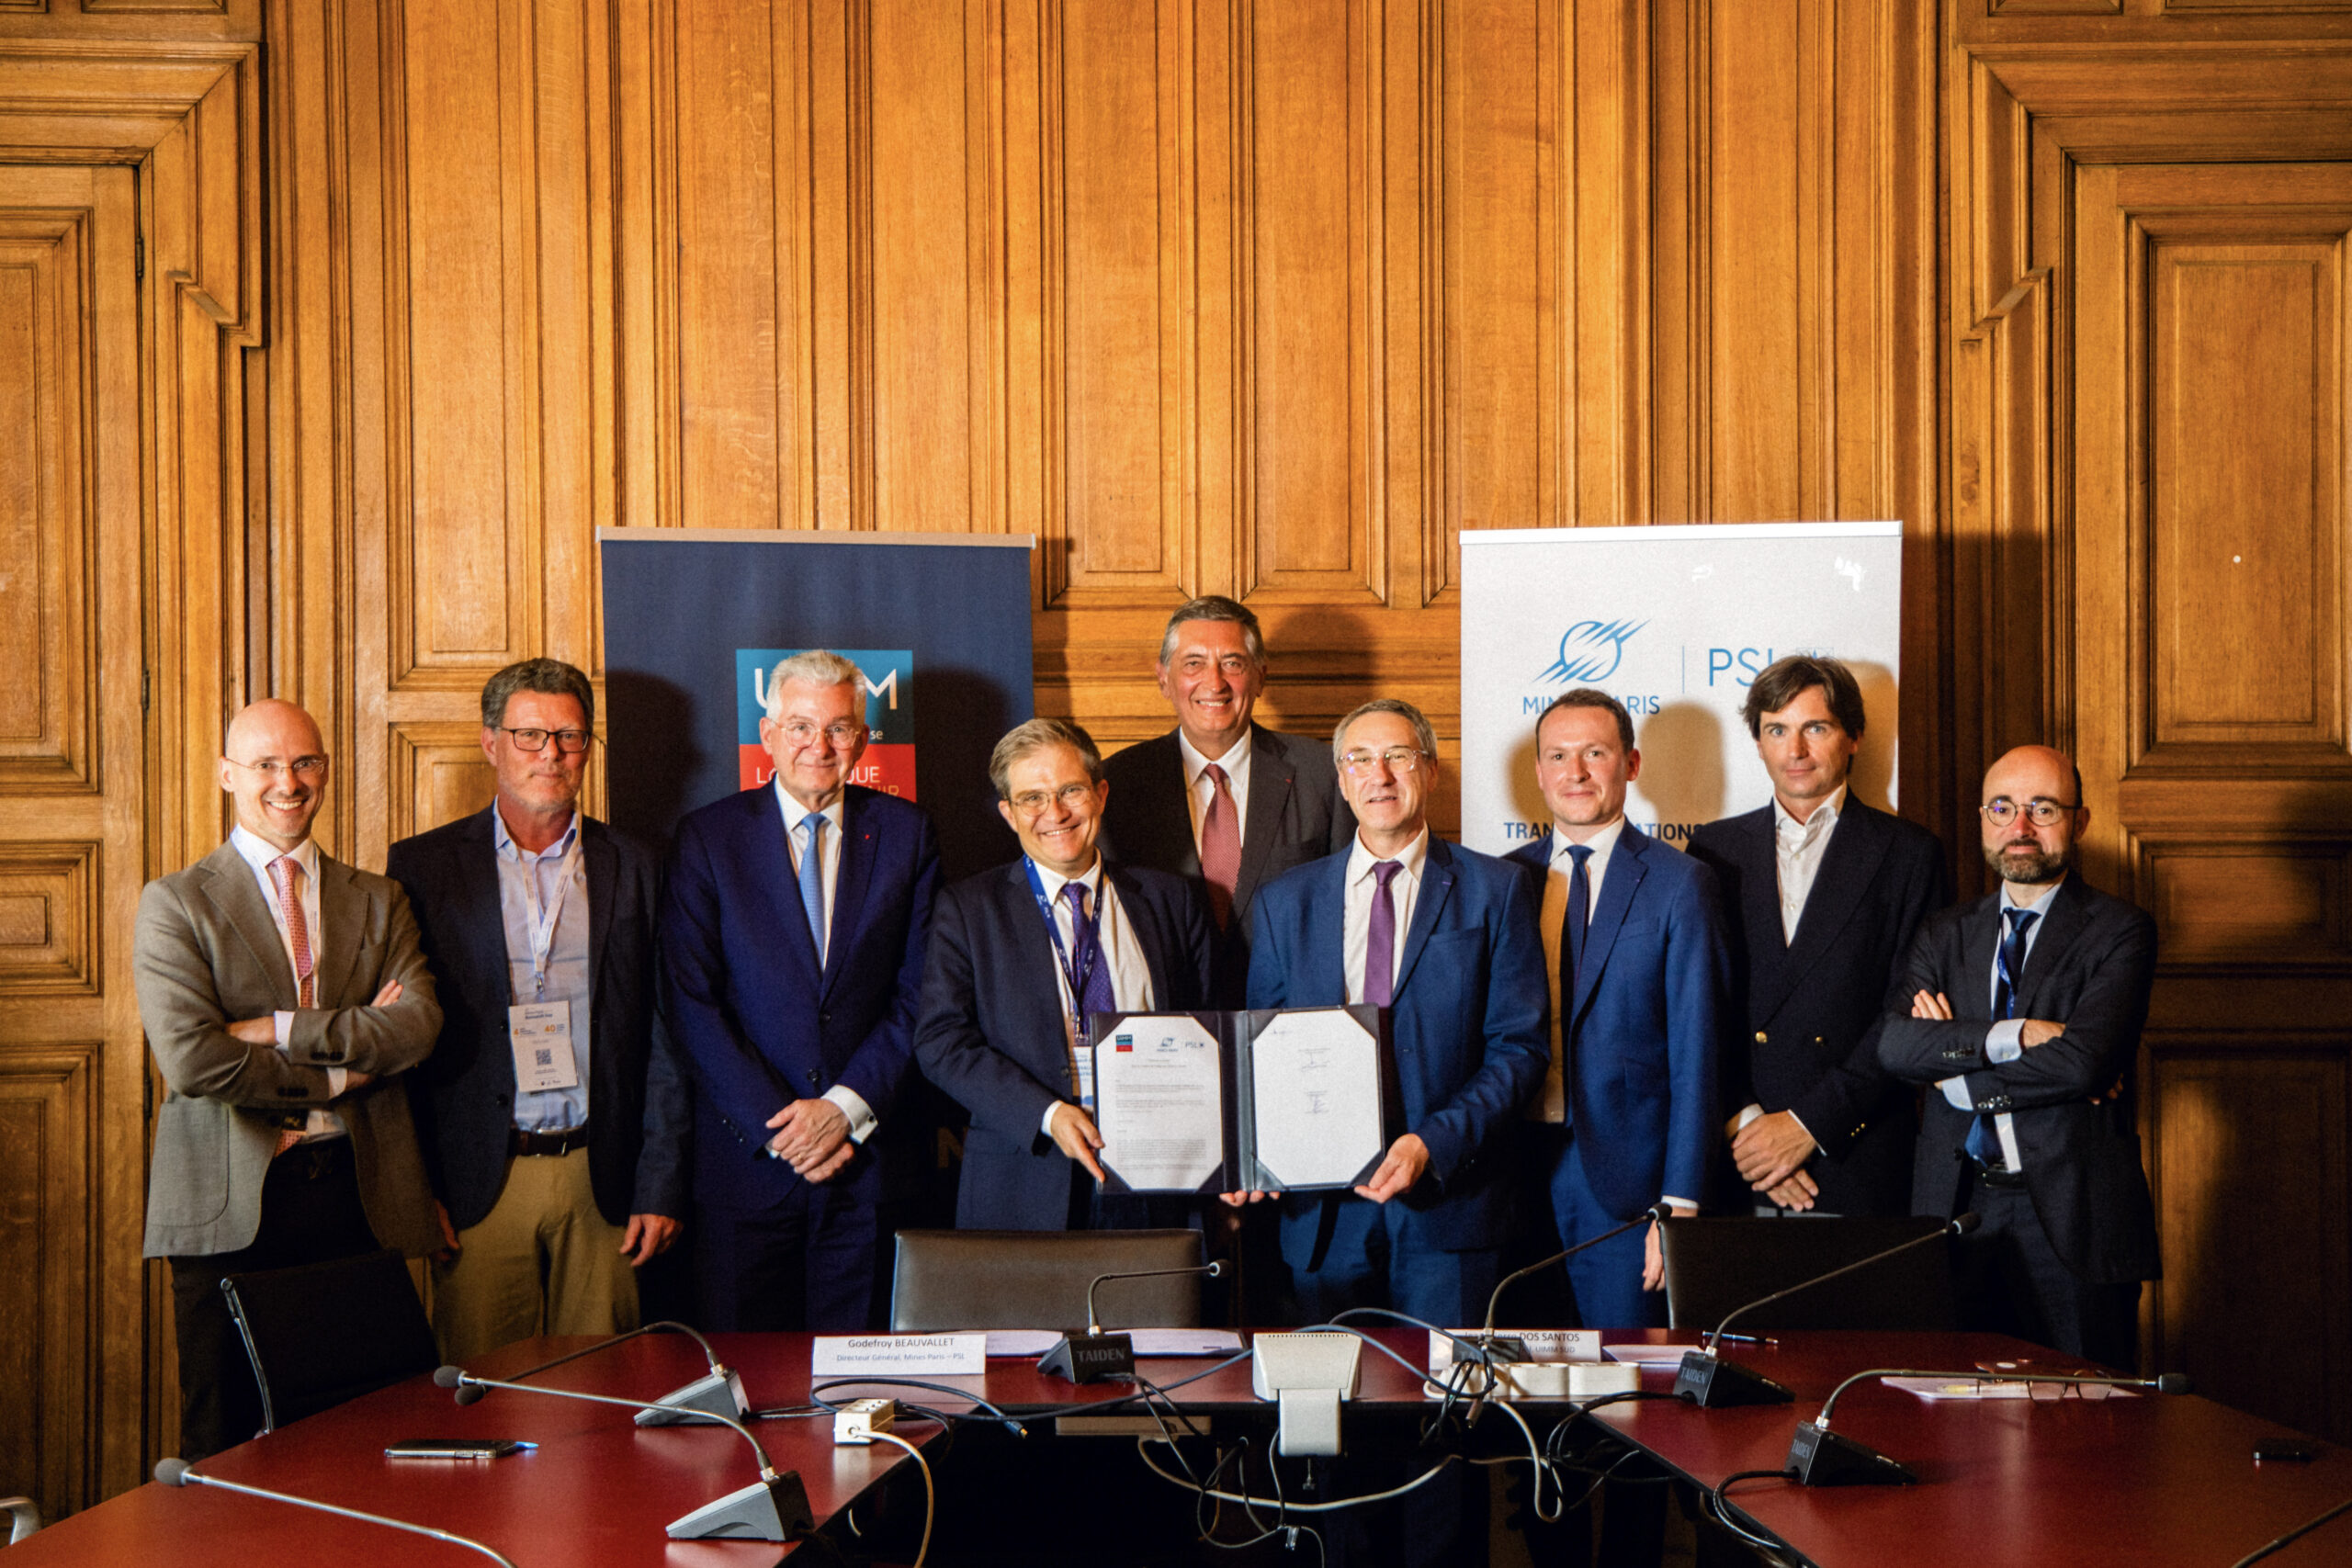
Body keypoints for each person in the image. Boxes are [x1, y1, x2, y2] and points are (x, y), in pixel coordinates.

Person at [136, 699, 442, 1459]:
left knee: (368, 1441)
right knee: (226, 1444)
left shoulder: (380, 898)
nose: (288, 781)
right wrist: (341, 1080)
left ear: (326, 772)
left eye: (305, 761)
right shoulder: (175, 904)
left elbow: (416, 1027)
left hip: (356, 1194)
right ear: (227, 775)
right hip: (232, 1204)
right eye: (267, 763)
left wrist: (279, 1029)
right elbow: (194, 1060)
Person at [388, 659, 688, 1360]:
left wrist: (661, 1179)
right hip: (479, 1183)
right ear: (490, 742)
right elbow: (403, 1047)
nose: (550, 753)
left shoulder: (639, 864)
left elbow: (668, 1034)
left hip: (603, 1179)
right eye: (529, 734)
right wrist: (417, 1190)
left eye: (569, 735)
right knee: (484, 1404)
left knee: (606, 1403)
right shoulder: (421, 867)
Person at [1237, 699, 1547, 1324]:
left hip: (1448, 1205)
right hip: (1323, 1217)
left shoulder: (1496, 889)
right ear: (1341, 778)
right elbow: (1261, 1052)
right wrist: (1251, 1151)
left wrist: (1430, 1143)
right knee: (1329, 1412)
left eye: (1398, 756)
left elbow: (1520, 1047)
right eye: (1360, 759)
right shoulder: (1283, 903)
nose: (1379, 774)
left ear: (1429, 771)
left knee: (1447, 1414)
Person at [662, 650, 942, 1330]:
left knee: (861, 1398)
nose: (820, 745)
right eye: (800, 726)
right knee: (750, 1392)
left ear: (865, 740)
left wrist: (844, 1108)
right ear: (768, 734)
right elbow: (691, 1001)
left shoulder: (908, 834)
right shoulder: (708, 838)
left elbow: (923, 990)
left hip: (866, 1167)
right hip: (748, 1170)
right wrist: (788, 1129)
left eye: (840, 727)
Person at [1878, 744, 2159, 1369]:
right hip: (1956, 1207)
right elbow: (1895, 1044)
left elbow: (2085, 1062)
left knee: (2087, 1425)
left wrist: (1956, 1077)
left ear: (2079, 821)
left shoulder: (2120, 930)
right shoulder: (1943, 932)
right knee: (1955, 1424)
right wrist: (2018, 1032)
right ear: (1983, 817)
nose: (2020, 827)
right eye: (2003, 807)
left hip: (2071, 1214)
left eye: (2043, 808)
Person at [914, 718, 1214, 1230]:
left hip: (1156, 1176)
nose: (1054, 813)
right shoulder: (967, 910)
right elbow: (941, 1041)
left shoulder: (1172, 899)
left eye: (1070, 790)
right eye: (1032, 798)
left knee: (1155, 1313)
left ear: (1099, 794)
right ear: (1008, 814)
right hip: (1025, 1176)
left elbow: (1209, 1032)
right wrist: (1049, 1114)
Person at [1687, 656, 1947, 1217]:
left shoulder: (1909, 854)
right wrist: (1752, 1131)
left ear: (1854, 737)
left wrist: (1809, 1126)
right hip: (1741, 1159)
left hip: (1854, 1152)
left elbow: (1908, 1011)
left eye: (1816, 728)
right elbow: (1699, 1008)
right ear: (1757, 742)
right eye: (1776, 730)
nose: (1794, 750)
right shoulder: (1713, 850)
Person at [1504, 690, 1726, 1328]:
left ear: (1630, 764)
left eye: (1595, 753)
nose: (1575, 772)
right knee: (1515, 1388)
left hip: (1629, 1188)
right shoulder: (1498, 882)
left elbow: (1697, 1052)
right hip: (1512, 1178)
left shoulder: (1680, 883)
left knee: (1626, 1385)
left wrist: (1679, 1203)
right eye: (1558, 755)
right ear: (1540, 772)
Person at [1099, 595, 1353, 1002]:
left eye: (1232, 663)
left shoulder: (1322, 773)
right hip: (1166, 1027)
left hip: (1290, 1023)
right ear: (1164, 679)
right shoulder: (1117, 783)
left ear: (1260, 677)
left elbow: (1349, 912)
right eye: (1193, 663)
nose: (1214, 682)